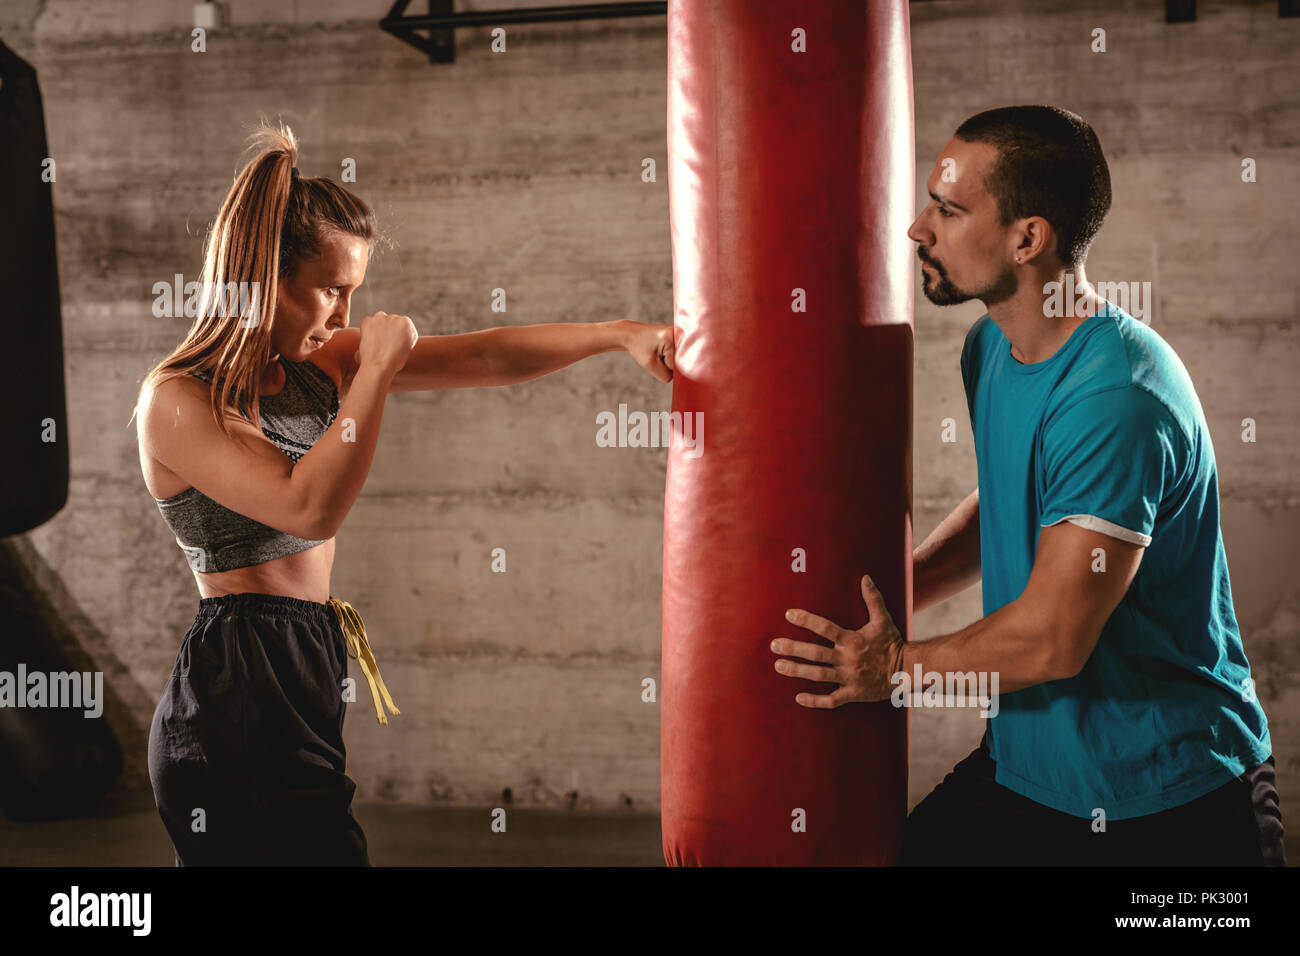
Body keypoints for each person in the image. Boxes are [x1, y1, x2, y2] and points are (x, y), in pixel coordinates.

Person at [131, 122, 675, 865]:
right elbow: (307, 507)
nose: (345, 318)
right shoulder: (178, 400)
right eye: (331, 290)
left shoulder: (314, 368)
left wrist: (618, 334)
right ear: (265, 277)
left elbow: (485, 354)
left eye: (353, 294)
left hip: (307, 657)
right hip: (238, 678)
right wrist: (378, 372)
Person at [769, 105, 1282, 866]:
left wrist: (894, 671)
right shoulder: (992, 349)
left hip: (1172, 797)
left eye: (947, 209)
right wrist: (898, 585)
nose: (917, 228)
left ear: (1028, 238)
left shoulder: (1117, 395)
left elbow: (1053, 637)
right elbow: (1020, 500)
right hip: (1029, 772)